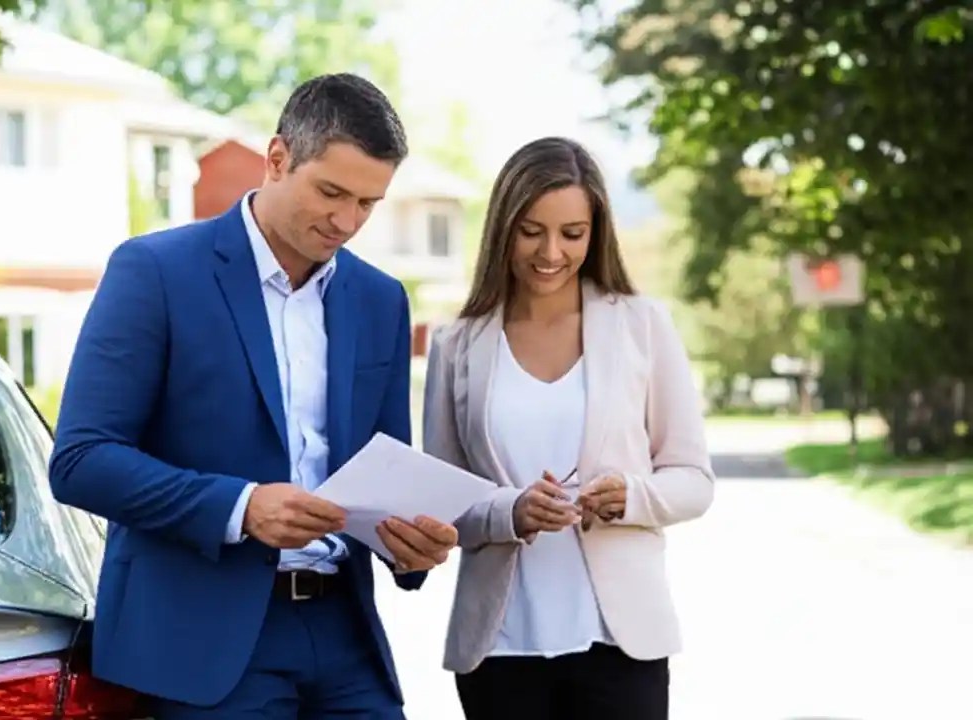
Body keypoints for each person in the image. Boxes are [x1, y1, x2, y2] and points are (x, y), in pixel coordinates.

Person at [49, 73, 459, 719]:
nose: (346, 222)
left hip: (345, 636)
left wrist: (412, 546)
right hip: (206, 642)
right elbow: (82, 460)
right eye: (331, 192)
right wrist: (240, 508)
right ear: (277, 158)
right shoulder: (155, 271)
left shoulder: (380, 299)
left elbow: (384, 474)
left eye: (368, 203)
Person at [421, 137, 714, 720]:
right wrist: (511, 512)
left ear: (595, 233)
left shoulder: (641, 325)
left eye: (572, 234)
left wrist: (631, 496)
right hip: (500, 651)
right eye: (531, 231)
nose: (551, 252)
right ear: (503, 227)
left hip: (619, 643)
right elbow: (440, 501)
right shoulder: (457, 345)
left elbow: (694, 480)